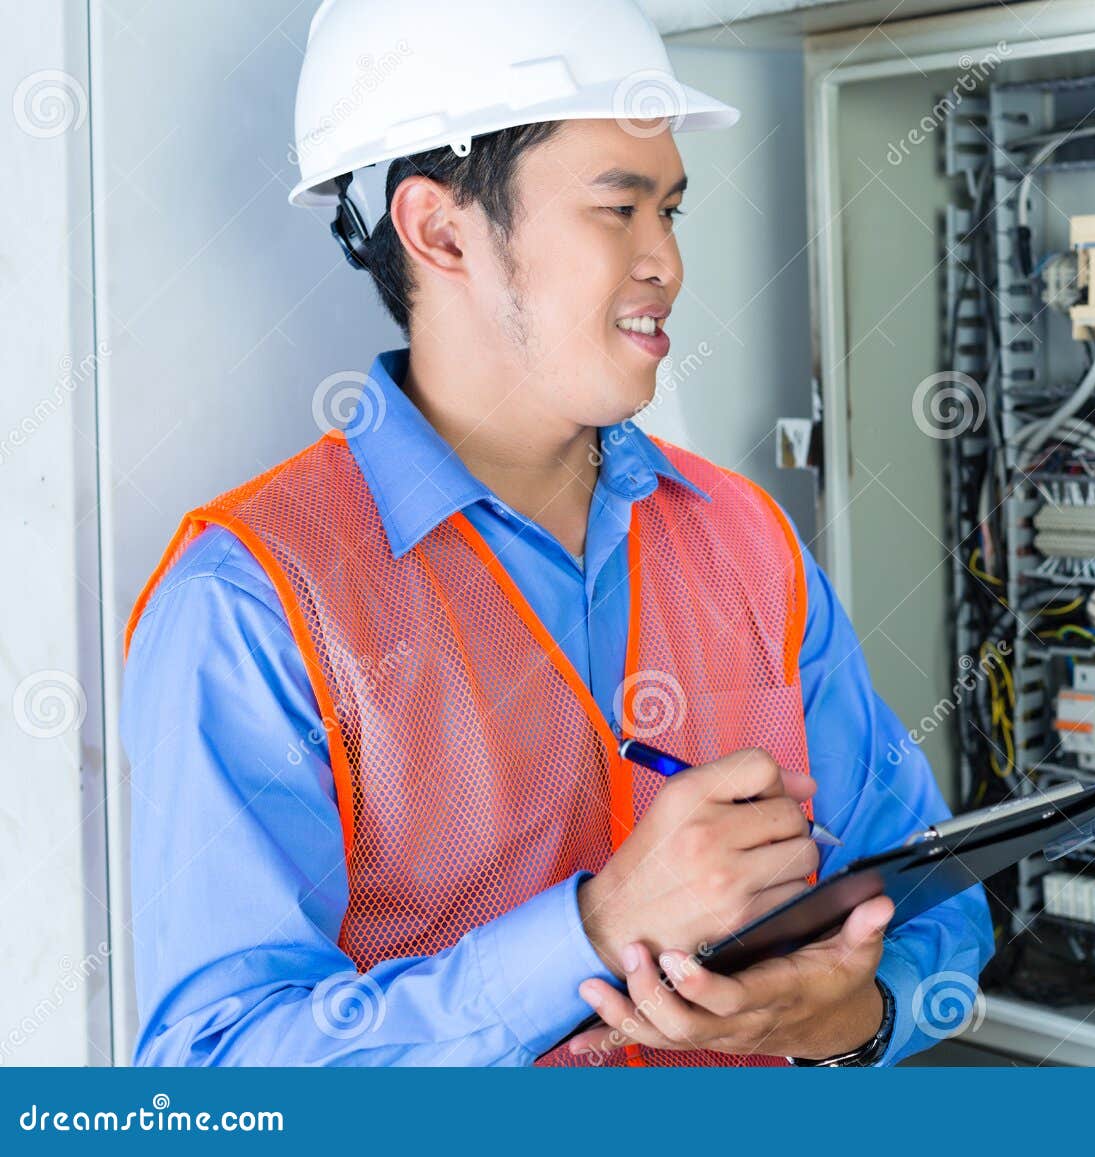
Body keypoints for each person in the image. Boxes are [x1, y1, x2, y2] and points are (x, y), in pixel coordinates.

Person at [122, 0, 993, 1067]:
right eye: (616, 210)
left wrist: (853, 1017)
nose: (665, 261)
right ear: (440, 230)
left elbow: (936, 906)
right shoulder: (255, 597)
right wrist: (595, 928)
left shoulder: (747, 539)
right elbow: (212, 1072)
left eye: (670, 210)